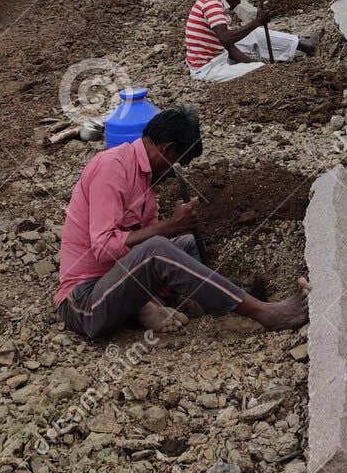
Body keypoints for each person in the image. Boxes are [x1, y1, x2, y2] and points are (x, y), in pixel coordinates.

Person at [55, 107, 308, 340]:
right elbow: (103, 247)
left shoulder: (146, 180)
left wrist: (172, 230)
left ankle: (158, 305)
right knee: (157, 248)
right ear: (166, 150)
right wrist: (167, 227)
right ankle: (264, 313)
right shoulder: (112, 168)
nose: (176, 169)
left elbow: (141, 247)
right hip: (84, 303)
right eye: (179, 162)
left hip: (116, 282)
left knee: (187, 245)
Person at [184, 0, 316, 82]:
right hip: (208, 69)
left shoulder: (210, 1)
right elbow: (226, 39)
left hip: (218, 56)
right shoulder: (212, 5)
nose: (239, 0)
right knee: (261, 71)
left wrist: (249, 63)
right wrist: (255, 23)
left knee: (254, 34)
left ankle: (301, 45)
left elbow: (228, 46)